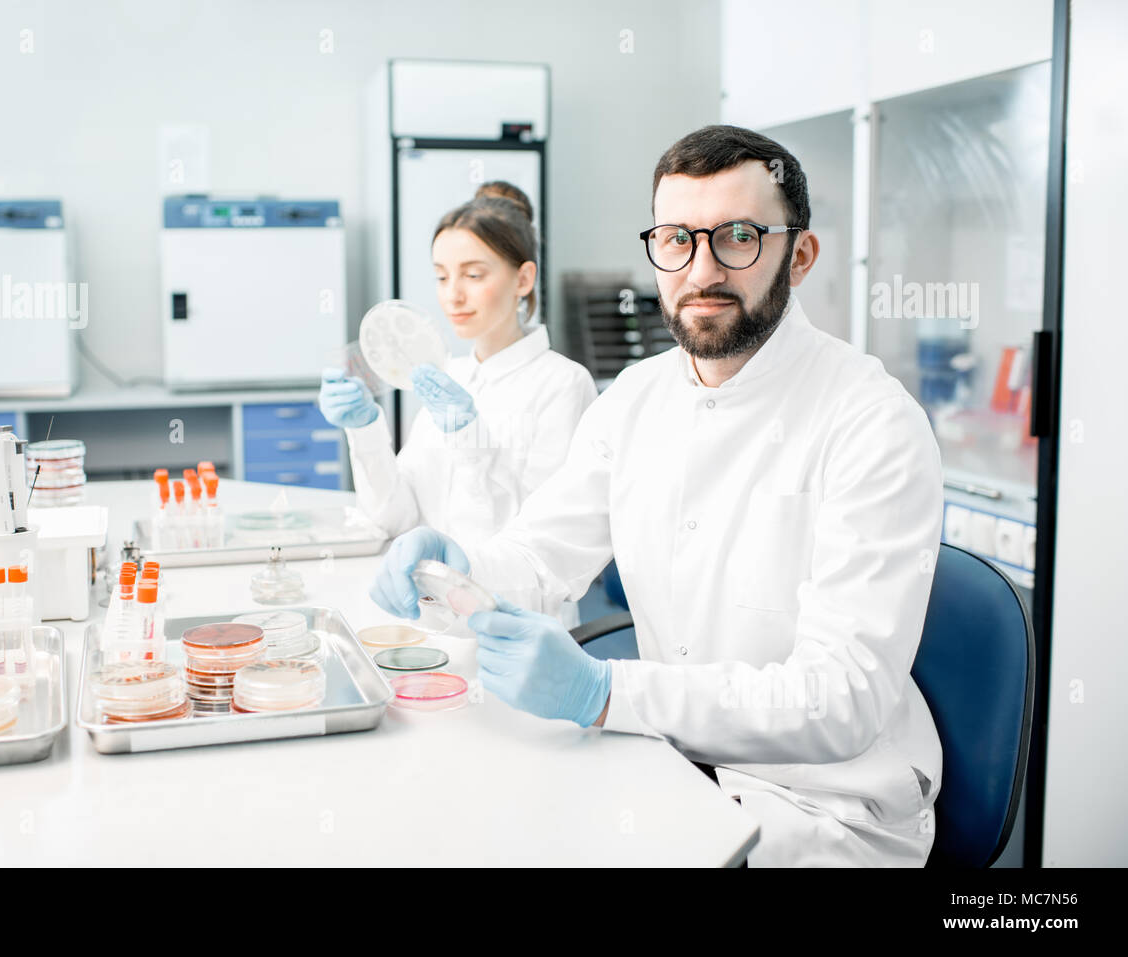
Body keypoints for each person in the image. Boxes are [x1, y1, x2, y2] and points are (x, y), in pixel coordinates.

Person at [370, 126, 945, 867]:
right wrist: (455, 566)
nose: (702, 269)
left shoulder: (872, 420)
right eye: (677, 239)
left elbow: (841, 698)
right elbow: (544, 553)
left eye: (739, 236)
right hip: (669, 763)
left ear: (799, 255)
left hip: (824, 807)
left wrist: (605, 692)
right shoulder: (636, 396)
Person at [320, 182, 598, 575]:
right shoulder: (450, 377)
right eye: (441, 277)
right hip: (432, 611)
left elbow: (538, 549)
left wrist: (469, 436)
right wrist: (365, 431)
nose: (453, 296)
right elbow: (394, 520)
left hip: (513, 620)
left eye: (473, 275)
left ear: (523, 279)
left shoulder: (563, 384)